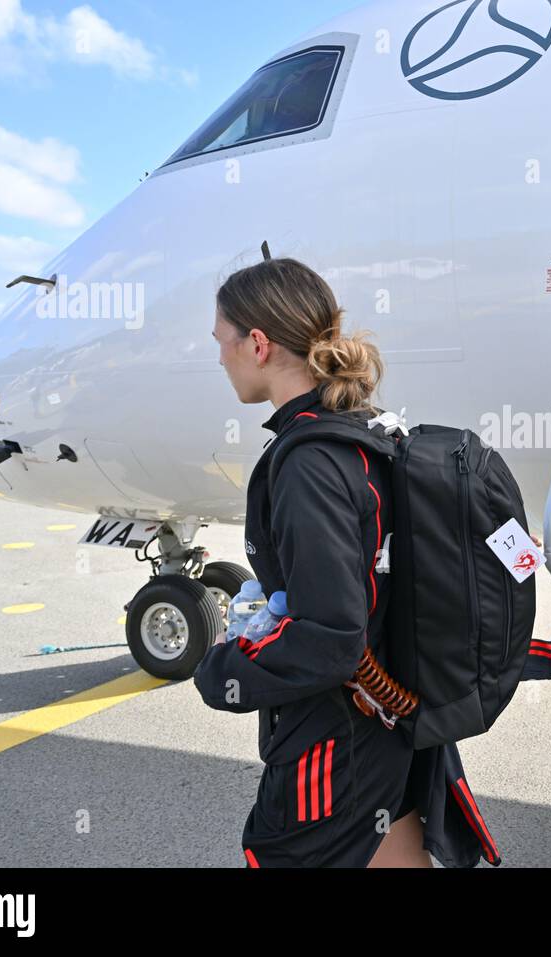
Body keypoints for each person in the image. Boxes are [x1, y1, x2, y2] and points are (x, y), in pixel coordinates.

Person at [194, 256, 497, 867]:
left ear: (257, 344)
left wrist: (221, 671)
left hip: (334, 743)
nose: (219, 356)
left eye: (222, 342)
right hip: (389, 724)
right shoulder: (366, 432)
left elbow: (330, 637)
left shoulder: (309, 461)